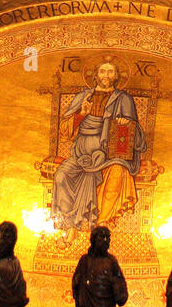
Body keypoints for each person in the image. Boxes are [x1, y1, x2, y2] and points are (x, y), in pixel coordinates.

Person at [51, 60, 146, 233]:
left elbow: (137, 134)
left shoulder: (124, 99)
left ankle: (102, 223)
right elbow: (64, 129)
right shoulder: (82, 97)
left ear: (117, 76)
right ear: (96, 75)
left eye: (110, 72)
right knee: (60, 176)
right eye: (103, 71)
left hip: (110, 154)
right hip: (81, 152)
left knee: (118, 171)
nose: (106, 76)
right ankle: (69, 225)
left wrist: (126, 123)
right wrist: (82, 114)